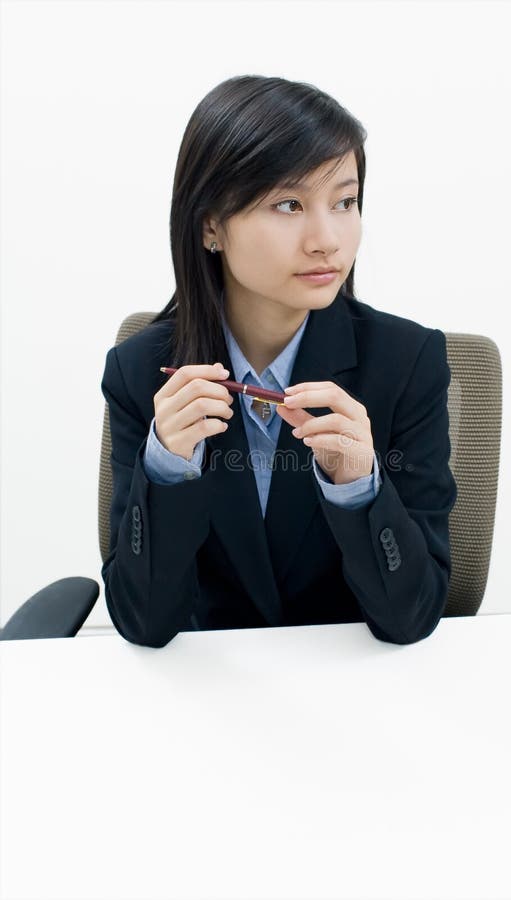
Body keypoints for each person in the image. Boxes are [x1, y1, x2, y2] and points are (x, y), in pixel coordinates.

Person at [101, 74, 457, 648]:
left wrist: (359, 486)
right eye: (289, 204)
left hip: (357, 692)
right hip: (203, 700)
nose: (327, 239)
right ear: (211, 225)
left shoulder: (407, 362)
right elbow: (143, 623)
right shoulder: (141, 372)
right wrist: (167, 466)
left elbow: (411, 617)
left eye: (345, 201)